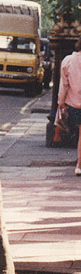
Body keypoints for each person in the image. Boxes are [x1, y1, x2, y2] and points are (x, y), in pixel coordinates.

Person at [57, 37, 81, 176]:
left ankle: (79, 165)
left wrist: (61, 102)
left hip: (74, 103)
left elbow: (64, 85)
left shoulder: (68, 61)